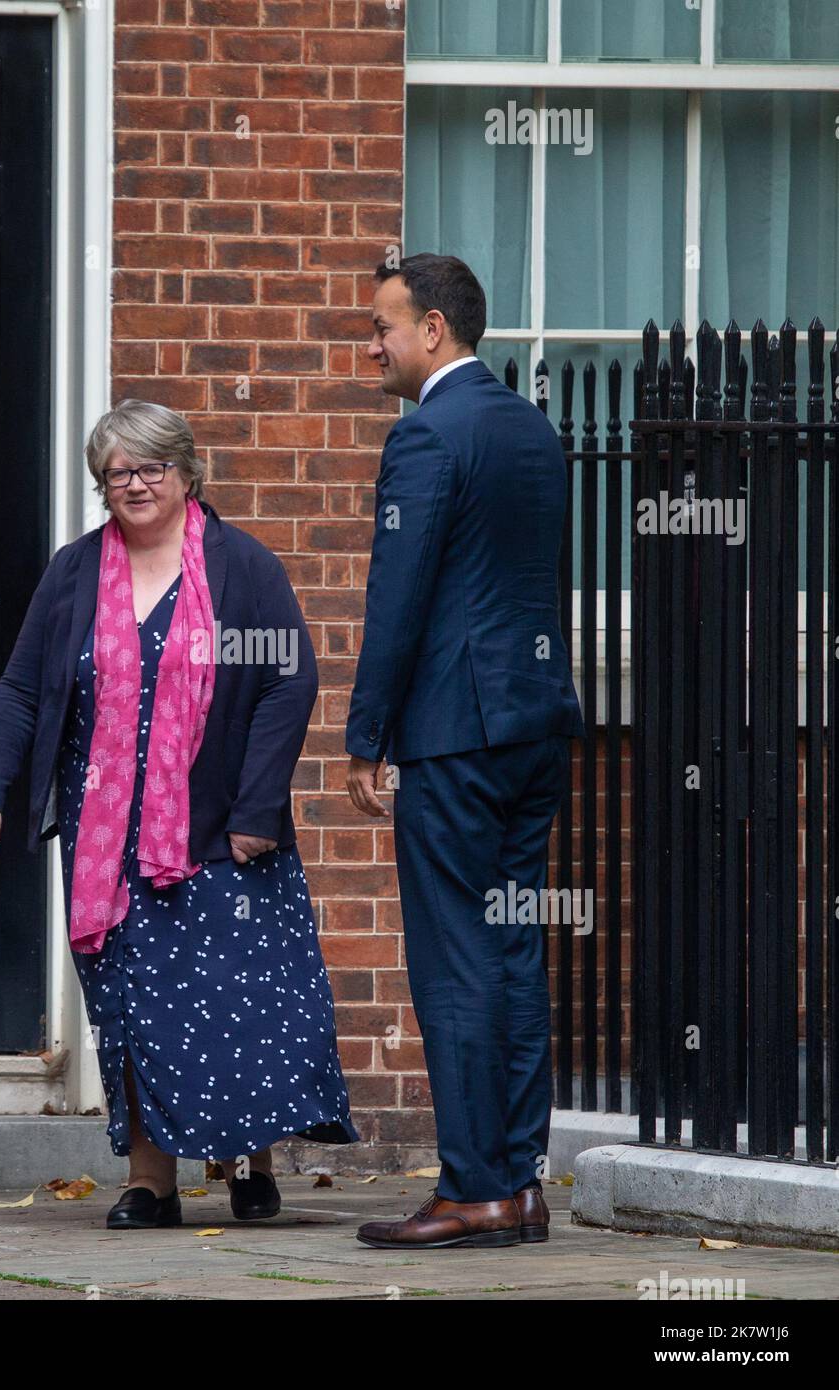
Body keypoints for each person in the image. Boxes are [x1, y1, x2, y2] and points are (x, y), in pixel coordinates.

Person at [0, 399, 358, 1230]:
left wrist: (257, 807)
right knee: (135, 1007)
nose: (134, 484)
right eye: (117, 472)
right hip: (110, 843)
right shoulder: (72, 575)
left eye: (150, 468)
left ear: (186, 473)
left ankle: (252, 1161)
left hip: (220, 833)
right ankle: (152, 1183)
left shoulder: (243, 567)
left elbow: (291, 682)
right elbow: (24, 689)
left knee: (238, 999)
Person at [345, 254, 585, 1250]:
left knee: (452, 961)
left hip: (453, 735)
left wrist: (365, 736)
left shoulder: (425, 438)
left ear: (433, 329)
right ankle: (517, 1184)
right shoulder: (533, 429)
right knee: (510, 951)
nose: (371, 346)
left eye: (383, 327)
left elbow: (396, 597)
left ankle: (473, 1188)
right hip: (535, 727)